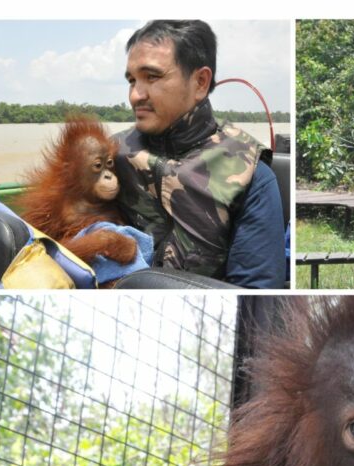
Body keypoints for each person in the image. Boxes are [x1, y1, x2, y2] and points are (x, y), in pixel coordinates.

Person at [114, 20, 287, 288]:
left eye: (152, 77)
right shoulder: (108, 155)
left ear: (200, 82)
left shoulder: (249, 172)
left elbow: (255, 290)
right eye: (132, 80)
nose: (136, 95)